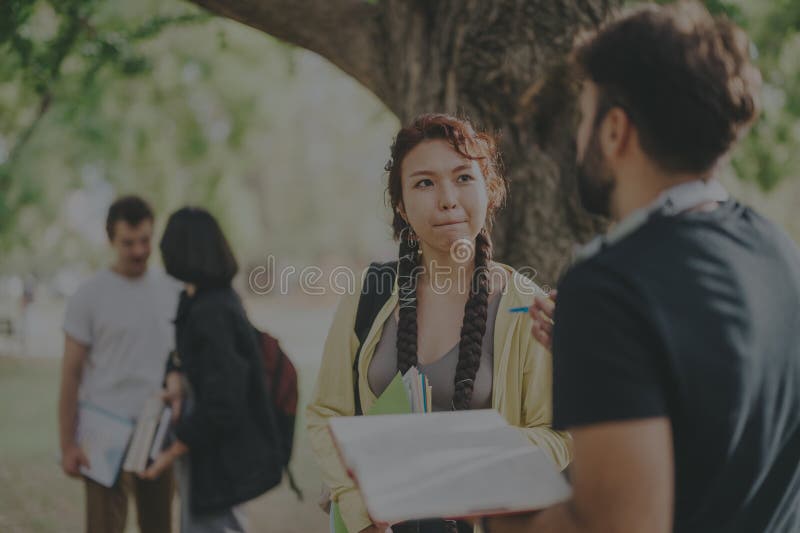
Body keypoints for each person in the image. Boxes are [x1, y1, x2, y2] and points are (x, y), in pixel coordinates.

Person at [483, 3, 800, 532]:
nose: (577, 137)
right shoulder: (779, 252)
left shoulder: (607, 286)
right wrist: (603, 362)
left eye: (582, 117)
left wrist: (493, 514)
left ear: (615, 131)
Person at [306, 113, 572, 533]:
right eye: (424, 183)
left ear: (490, 189)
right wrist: (361, 511)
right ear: (401, 206)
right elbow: (326, 413)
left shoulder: (526, 306)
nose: (447, 198)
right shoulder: (368, 294)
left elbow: (557, 435)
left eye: (464, 177)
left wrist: (464, 457)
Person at [142, 207, 283, 533]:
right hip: (206, 452)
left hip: (220, 460)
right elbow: (182, 354)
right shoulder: (196, 300)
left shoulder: (213, 310)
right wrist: (175, 377)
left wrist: (172, 449)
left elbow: (224, 401)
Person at [58, 195, 181, 533]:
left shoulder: (171, 289)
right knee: (103, 527)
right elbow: (70, 374)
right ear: (111, 239)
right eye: (129, 243)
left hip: (156, 430)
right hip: (103, 430)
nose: (139, 250)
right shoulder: (89, 295)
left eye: (145, 240)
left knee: (159, 526)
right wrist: (67, 444)